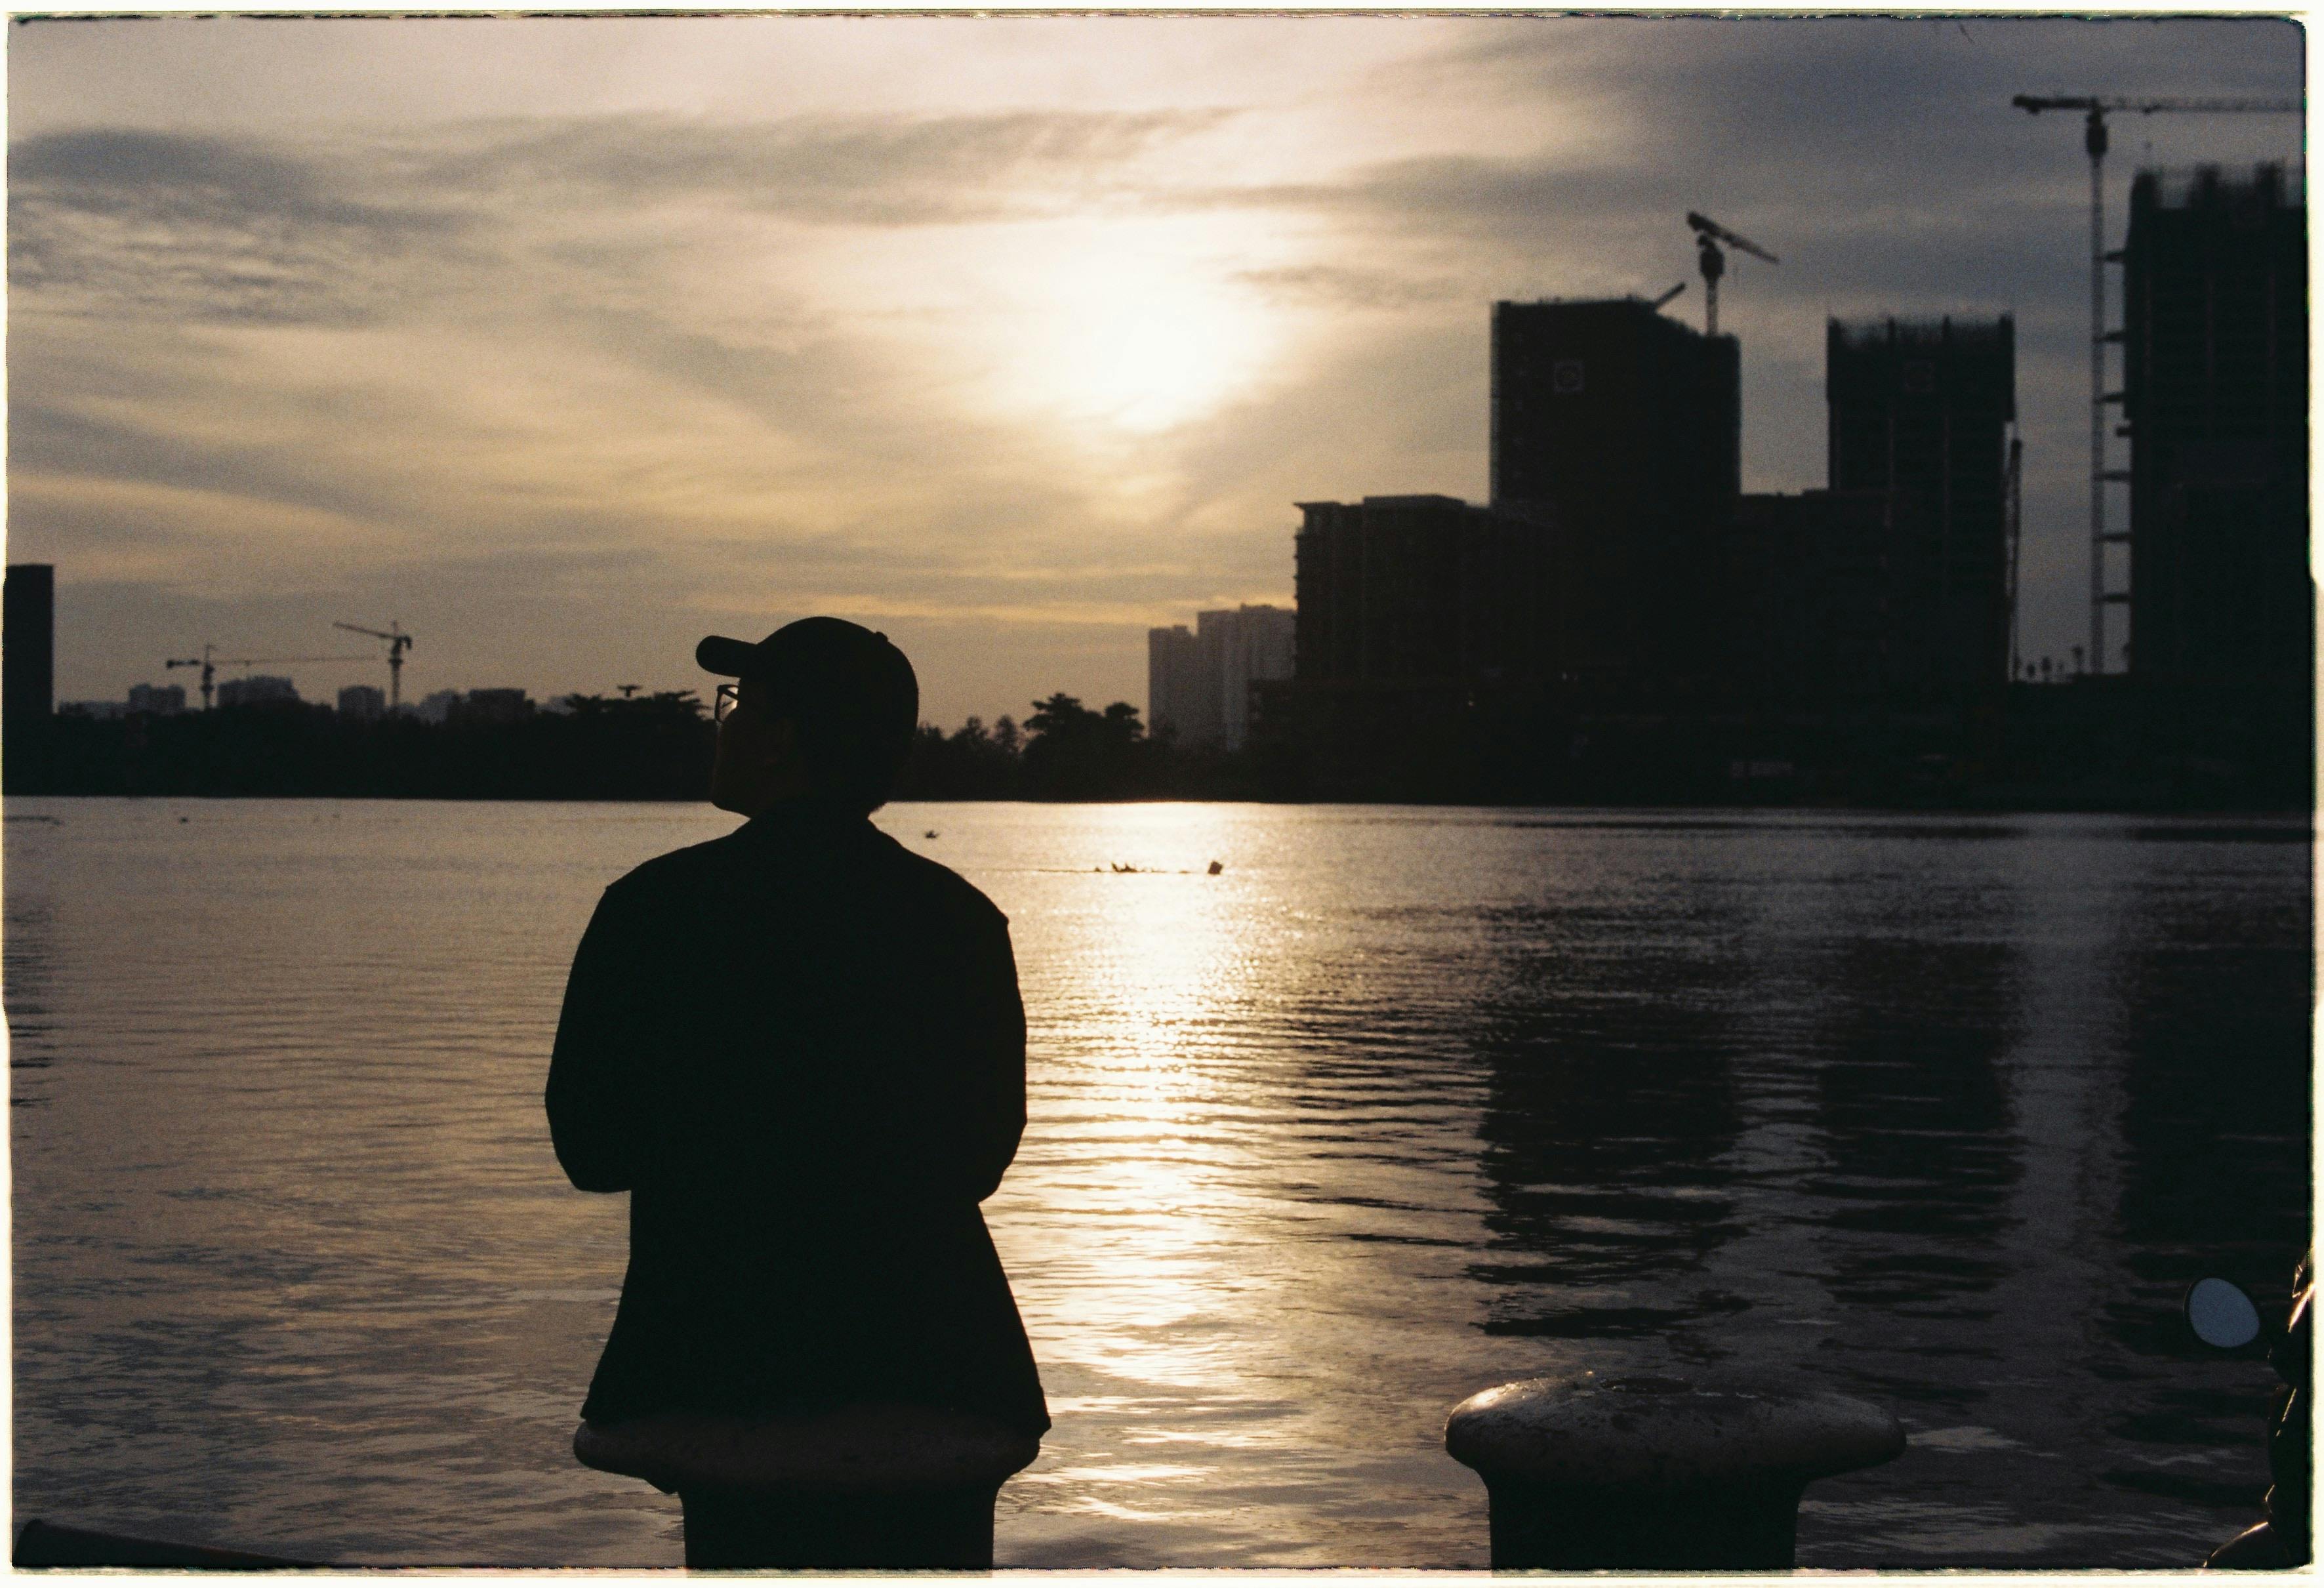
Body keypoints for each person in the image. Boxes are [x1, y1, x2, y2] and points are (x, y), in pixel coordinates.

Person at [544, 617, 1048, 1447]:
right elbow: (980, 1156)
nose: (726, 723)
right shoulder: (960, 919)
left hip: (708, 1366)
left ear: (778, 741)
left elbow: (590, 1148)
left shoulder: (653, 908)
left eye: (739, 705)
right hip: (941, 1369)